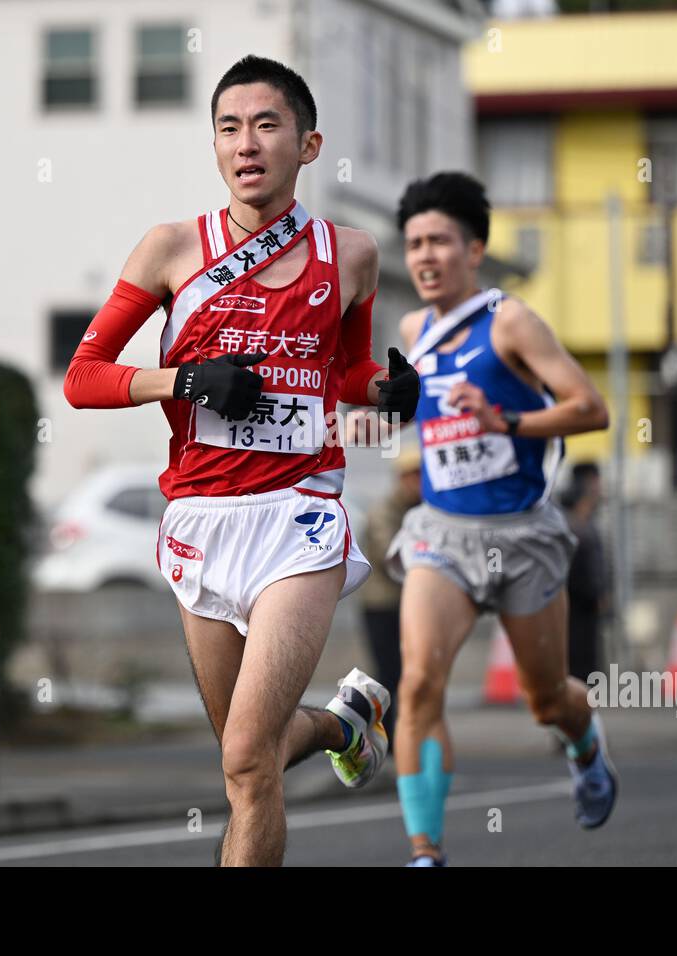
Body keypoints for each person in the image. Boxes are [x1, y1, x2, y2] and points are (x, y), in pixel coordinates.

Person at [62, 55, 421, 866]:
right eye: (229, 128)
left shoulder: (351, 255)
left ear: (308, 143)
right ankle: (345, 724)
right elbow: (83, 377)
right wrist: (184, 378)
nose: (246, 144)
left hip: (299, 516)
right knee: (247, 755)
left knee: (248, 764)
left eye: (266, 125)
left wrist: (390, 391)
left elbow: (350, 372)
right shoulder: (170, 249)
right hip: (197, 520)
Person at [385, 172, 618, 866]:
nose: (425, 256)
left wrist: (505, 418)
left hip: (521, 536)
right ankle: (425, 853)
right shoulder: (411, 329)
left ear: (474, 248)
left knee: (546, 701)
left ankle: (585, 746)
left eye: (439, 242)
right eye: (414, 243)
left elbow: (592, 408)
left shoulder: (509, 321)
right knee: (419, 682)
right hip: (442, 533)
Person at [358, 445, 424, 749]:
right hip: (383, 606)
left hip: (407, 605)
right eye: (415, 476)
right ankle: (386, 739)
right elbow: (390, 558)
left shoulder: (418, 510)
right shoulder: (385, 511)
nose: (421, 483)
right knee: (389, 674)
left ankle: (399, 739)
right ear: (403, 478)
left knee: (408, 674)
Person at [561, 462, 608, 684]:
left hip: (585, 608)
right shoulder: (574, 527)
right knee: (578, 669)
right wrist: (594, 593)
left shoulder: (584, 525)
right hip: (576, 607)